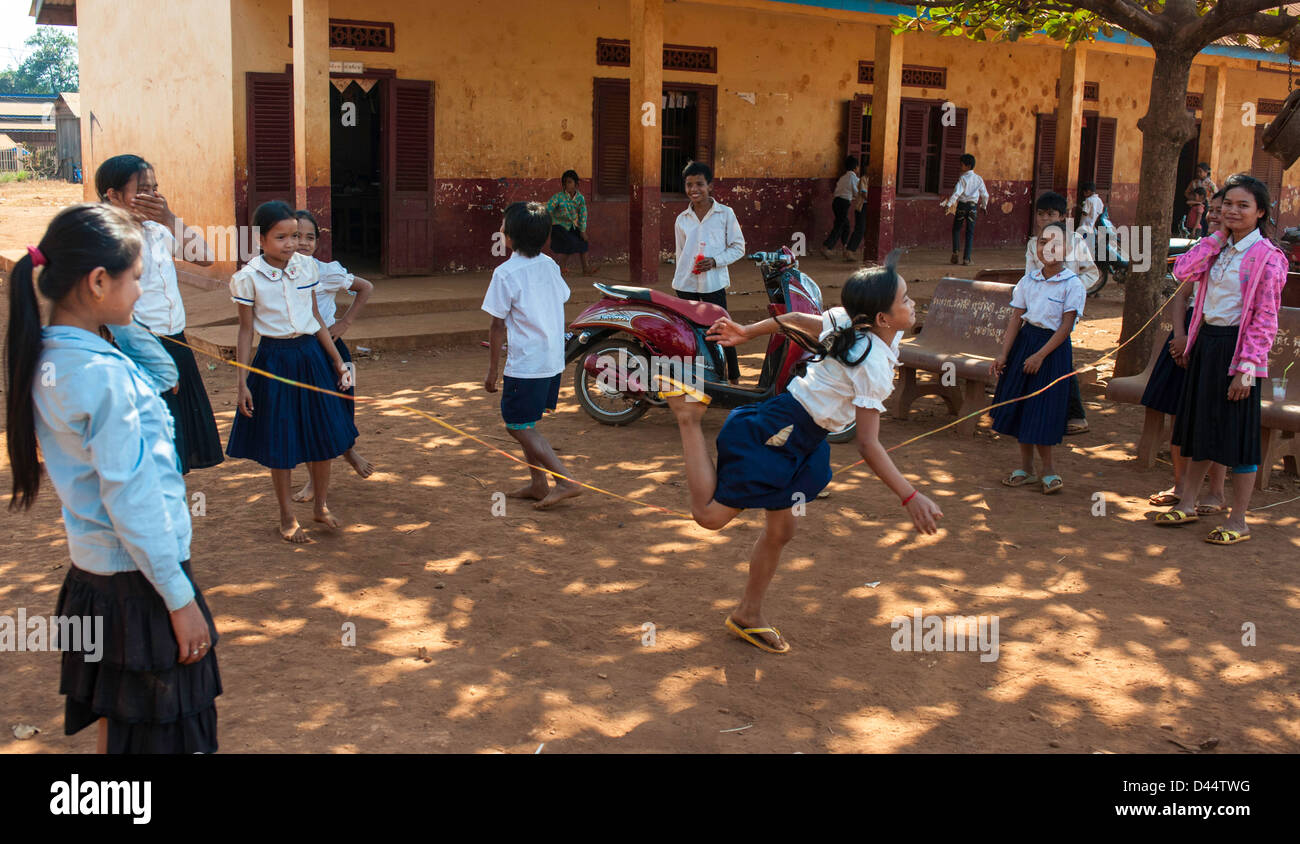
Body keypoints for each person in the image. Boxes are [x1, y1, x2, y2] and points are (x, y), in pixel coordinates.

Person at [6, 203, 220, 753]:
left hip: (100, 575)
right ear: (99, 280)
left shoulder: (55, 356)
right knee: (168, 735)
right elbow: (132, 497)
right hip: (142, 583)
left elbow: (167, 371)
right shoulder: (102, 377)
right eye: (137, 281)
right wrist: (179, 599)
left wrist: (115, 319)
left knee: (123, 728)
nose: (141, 294)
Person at [660, 257, 943, 654]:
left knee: (781, 530)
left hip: (805, 439)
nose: (913, 304)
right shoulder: (870, 360)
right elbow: (868, 444)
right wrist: (910, 496)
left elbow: (797, 318)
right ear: (881, 317)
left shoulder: (863, 326)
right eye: (906, 300)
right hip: (780, 430)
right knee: (709, 517)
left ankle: (748, 614)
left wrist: (746, 331)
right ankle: (689, 418)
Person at [1156, 174, 1287, 545]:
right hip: (1207, 346)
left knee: (1238, 436)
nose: (1232, 210)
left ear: (1260, 212)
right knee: (1200, 427)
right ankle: (1190, 501)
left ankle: (1239, 520)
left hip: (1239, 352)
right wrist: (1215, 238)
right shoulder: (1217, 249)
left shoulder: (1267, 258)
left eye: (1243, 205)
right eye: (1228, 204)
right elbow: (1182, 271)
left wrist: (1246, 370)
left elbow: (1265, 318)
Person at [225, 201, 358, 543]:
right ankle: (287, 515)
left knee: (324, 433)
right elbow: (245, 332)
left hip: (312, 357)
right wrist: (241, 381)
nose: (291, 243)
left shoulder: (306, 269)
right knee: (281, 439)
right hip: (273, 361)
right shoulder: (247, 278)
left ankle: (320, 505)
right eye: (281, 237)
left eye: (295, 236)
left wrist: (336, 360)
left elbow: (316, 319)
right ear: (260, 239)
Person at [95, 154, 224, 475]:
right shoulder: (104, 238)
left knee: (174, 443)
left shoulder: (158, 230)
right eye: (143, 190)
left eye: (156, 189)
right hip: (136, 346)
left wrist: (170, 217)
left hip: (174, 341)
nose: (153, 197)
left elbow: (206, 257)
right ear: (113, 195)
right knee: (144, 442)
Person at [482, 201, 583, 510]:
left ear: (509, 236)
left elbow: (497, 325)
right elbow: (562, 296)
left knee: (516, 426)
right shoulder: (550, 265)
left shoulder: (505, 273)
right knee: (526, 423)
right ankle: (538, 484)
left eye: (503, 226)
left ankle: (564, 480)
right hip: (551, 359)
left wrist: (492, 372)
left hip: (526, 363)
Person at [1144, 191, 1229, 512]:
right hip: (1187, 334)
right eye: (1216, 210)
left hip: (1216, 336)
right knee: (1178, 413)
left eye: (1227, 209)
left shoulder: (1237, 255)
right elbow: (1182, 295)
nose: (1218, 216)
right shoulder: (1203, 250)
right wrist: (1180, 336)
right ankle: (1180, 485)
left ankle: (1216, 491)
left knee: (1214, 418)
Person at [992, 222, 1087, 494]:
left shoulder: (1073, 284)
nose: (1048, 248)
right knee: (1021, 406)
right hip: (1025, 343)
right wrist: (1003, 353)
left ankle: (1049, 470)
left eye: (1056, 242)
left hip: (1053, 351)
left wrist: (1041, 355)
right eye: (1043, 241)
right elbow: (1015, 320)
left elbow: (1066, 327)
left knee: (1043, 409)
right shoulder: (1027, 281)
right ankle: (1026, 468)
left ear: (1067, 248)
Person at [289, 210, 376, 503]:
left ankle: (348, 450)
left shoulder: (327, 272)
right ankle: (314, 481)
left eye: (309, 237)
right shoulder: (276, 273)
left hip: (333, 349)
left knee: (342, 404)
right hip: (299, 352)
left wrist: (345, 322)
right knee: (309, 415)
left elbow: (366, 288)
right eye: (295, 236)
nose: (303, 242)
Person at [1028, 191, 1098, 435]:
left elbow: (1092, 273)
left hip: (1065, 312)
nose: (1045, 219)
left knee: (1061, 359)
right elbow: (1029, 278)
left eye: (1051, 214)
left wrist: (1072, 289)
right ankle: (1046, 412)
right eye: (1041, 214)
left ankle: (1076, 415)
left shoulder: (1076, 242)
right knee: (1044, 359)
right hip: (1039, 312)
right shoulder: (1033, 244)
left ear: (1063, 216)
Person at [673, 161, 746, 385]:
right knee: (692, 333)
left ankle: (732, 378)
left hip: (714, 283)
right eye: (689, 184)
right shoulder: (682, 219)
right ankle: (701, 379)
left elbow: (738, 247)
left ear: (710, 186)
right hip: (686, 284)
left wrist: (715, 261)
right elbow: (680, 254)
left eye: (700, 184)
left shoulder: (725, 214)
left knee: (722, 329)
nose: (694, 189)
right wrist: (682, 276)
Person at [941, 153, 989, 265]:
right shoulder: (979, 179)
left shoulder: (963, 178)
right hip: (973, 207)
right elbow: (985, 195)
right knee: (970, 233)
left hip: (962, 206)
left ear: (967, 166)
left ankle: (955, 253)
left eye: (961, 164)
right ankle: (967, 259)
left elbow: (957, 193)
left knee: (956, 229)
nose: (960, 166)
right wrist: (984, 206)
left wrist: (949, 204)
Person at [546, 169, 593, 276]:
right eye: (565, 182)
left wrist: (582, 230)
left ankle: (586, 269)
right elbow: (548, 209)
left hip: (571, 225)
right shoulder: (558, 197)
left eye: (570, 182)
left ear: (576, 184)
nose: (567, 185)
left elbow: (583, 215)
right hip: (558, 226)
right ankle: (561, 268)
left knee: (583, 242)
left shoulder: (580, 198)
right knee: (571, 242)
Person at [821, 156, 860, 261]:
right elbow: (857, 192)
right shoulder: (853, 178)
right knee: (840, 225)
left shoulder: (843, 178)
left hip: (836, 202)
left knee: (845, 225)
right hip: (844, 203)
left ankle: (845, 247)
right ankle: (827, 247)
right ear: (856, 167)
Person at [1184, 163, 1217, 237]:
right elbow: (1186, 193)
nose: (1198, 173)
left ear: (1206, 172)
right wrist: (1194, 199)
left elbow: (1216, 193)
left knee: (1204, 220)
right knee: (1194, 219)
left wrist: (1210, 200)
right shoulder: (1194, 183)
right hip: (1195, 205)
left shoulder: (1210, 183)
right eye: (1197, 172)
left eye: (1200, 171)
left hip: (1206, 205)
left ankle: (1203, 235)